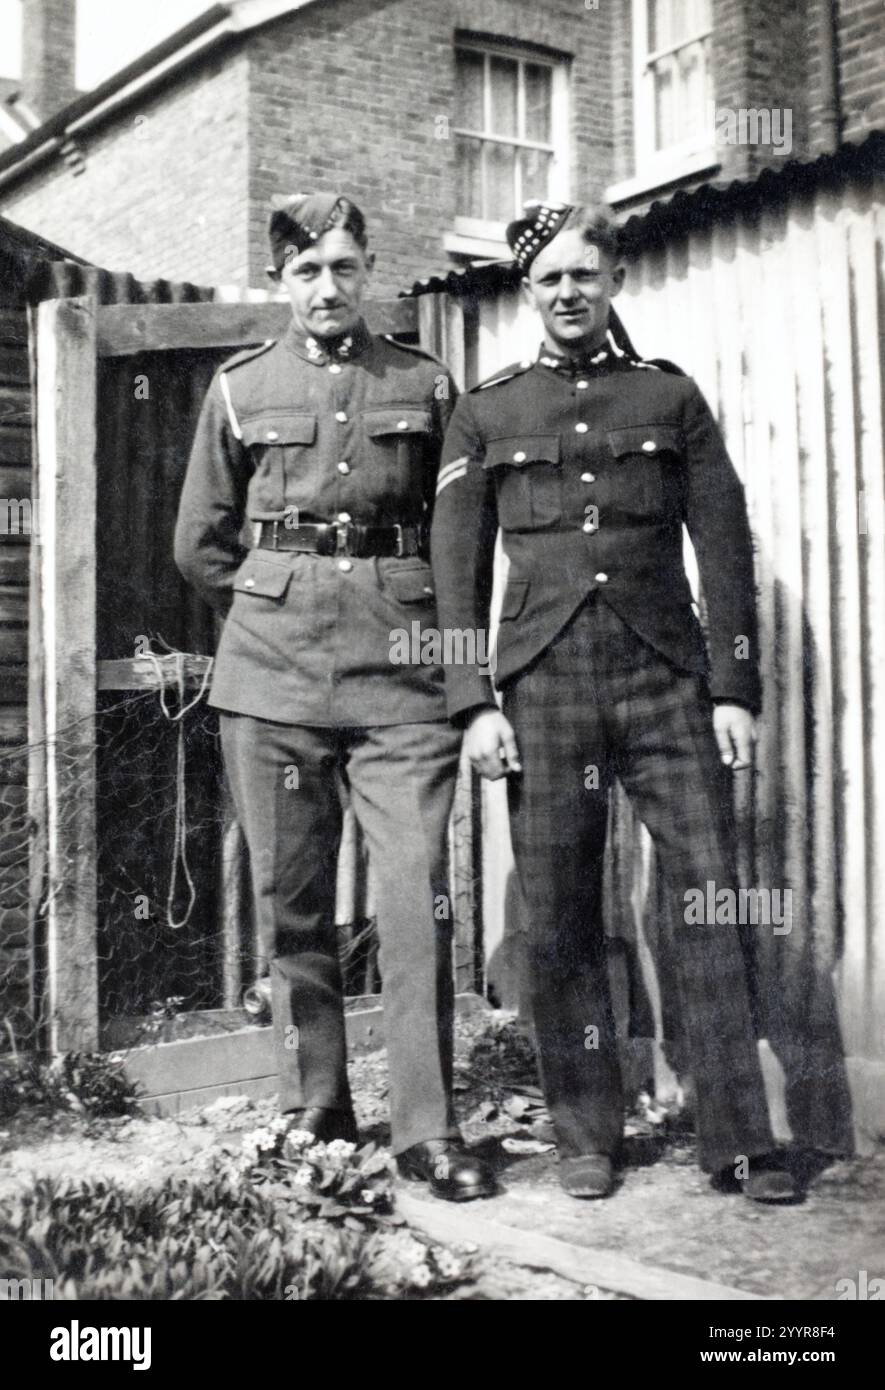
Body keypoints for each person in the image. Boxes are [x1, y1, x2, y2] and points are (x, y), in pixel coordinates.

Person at [430, 200, 796, 1203]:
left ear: (613, 281)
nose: (567, 292)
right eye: (548, 278)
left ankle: (740, 1133)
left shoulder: (668, 398)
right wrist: (472, 702)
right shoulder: (487, 411)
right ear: (526, 292)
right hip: (541, 684)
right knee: (559, 913)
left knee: (710, 895)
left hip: (666, 679)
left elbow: (725, 547)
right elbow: (453, 569)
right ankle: (585, 1131)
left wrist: (731, 686)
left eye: (584, 274)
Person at [175, 193, 495, 1202]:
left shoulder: (428, 382)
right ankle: (316, 1099)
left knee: (415, 902)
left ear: (370, 274)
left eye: (345, 268)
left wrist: (455, 674)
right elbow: (200, 541)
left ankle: (428, 1130)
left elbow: (461, 544)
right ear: (281, 279)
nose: (328, 287)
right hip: (272, 674)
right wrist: (280, 592)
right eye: (308, 270)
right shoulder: (237, 387)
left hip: (403, 679)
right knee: (294, 899)